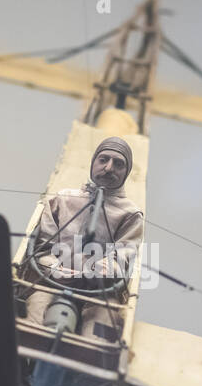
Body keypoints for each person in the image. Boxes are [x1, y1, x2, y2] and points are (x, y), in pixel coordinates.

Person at [23, 136, 143, 341]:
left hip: (101, 294)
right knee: (33, 323)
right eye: (103, 159)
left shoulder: (130, 214)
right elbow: (41, 249)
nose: (108, 168)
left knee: (98, 339)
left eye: (118, 164)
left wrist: (106, 268)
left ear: (126, 172)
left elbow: (123, 258)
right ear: (93, 162)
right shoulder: (63, 199)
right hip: (53, 283)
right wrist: (54, 269)